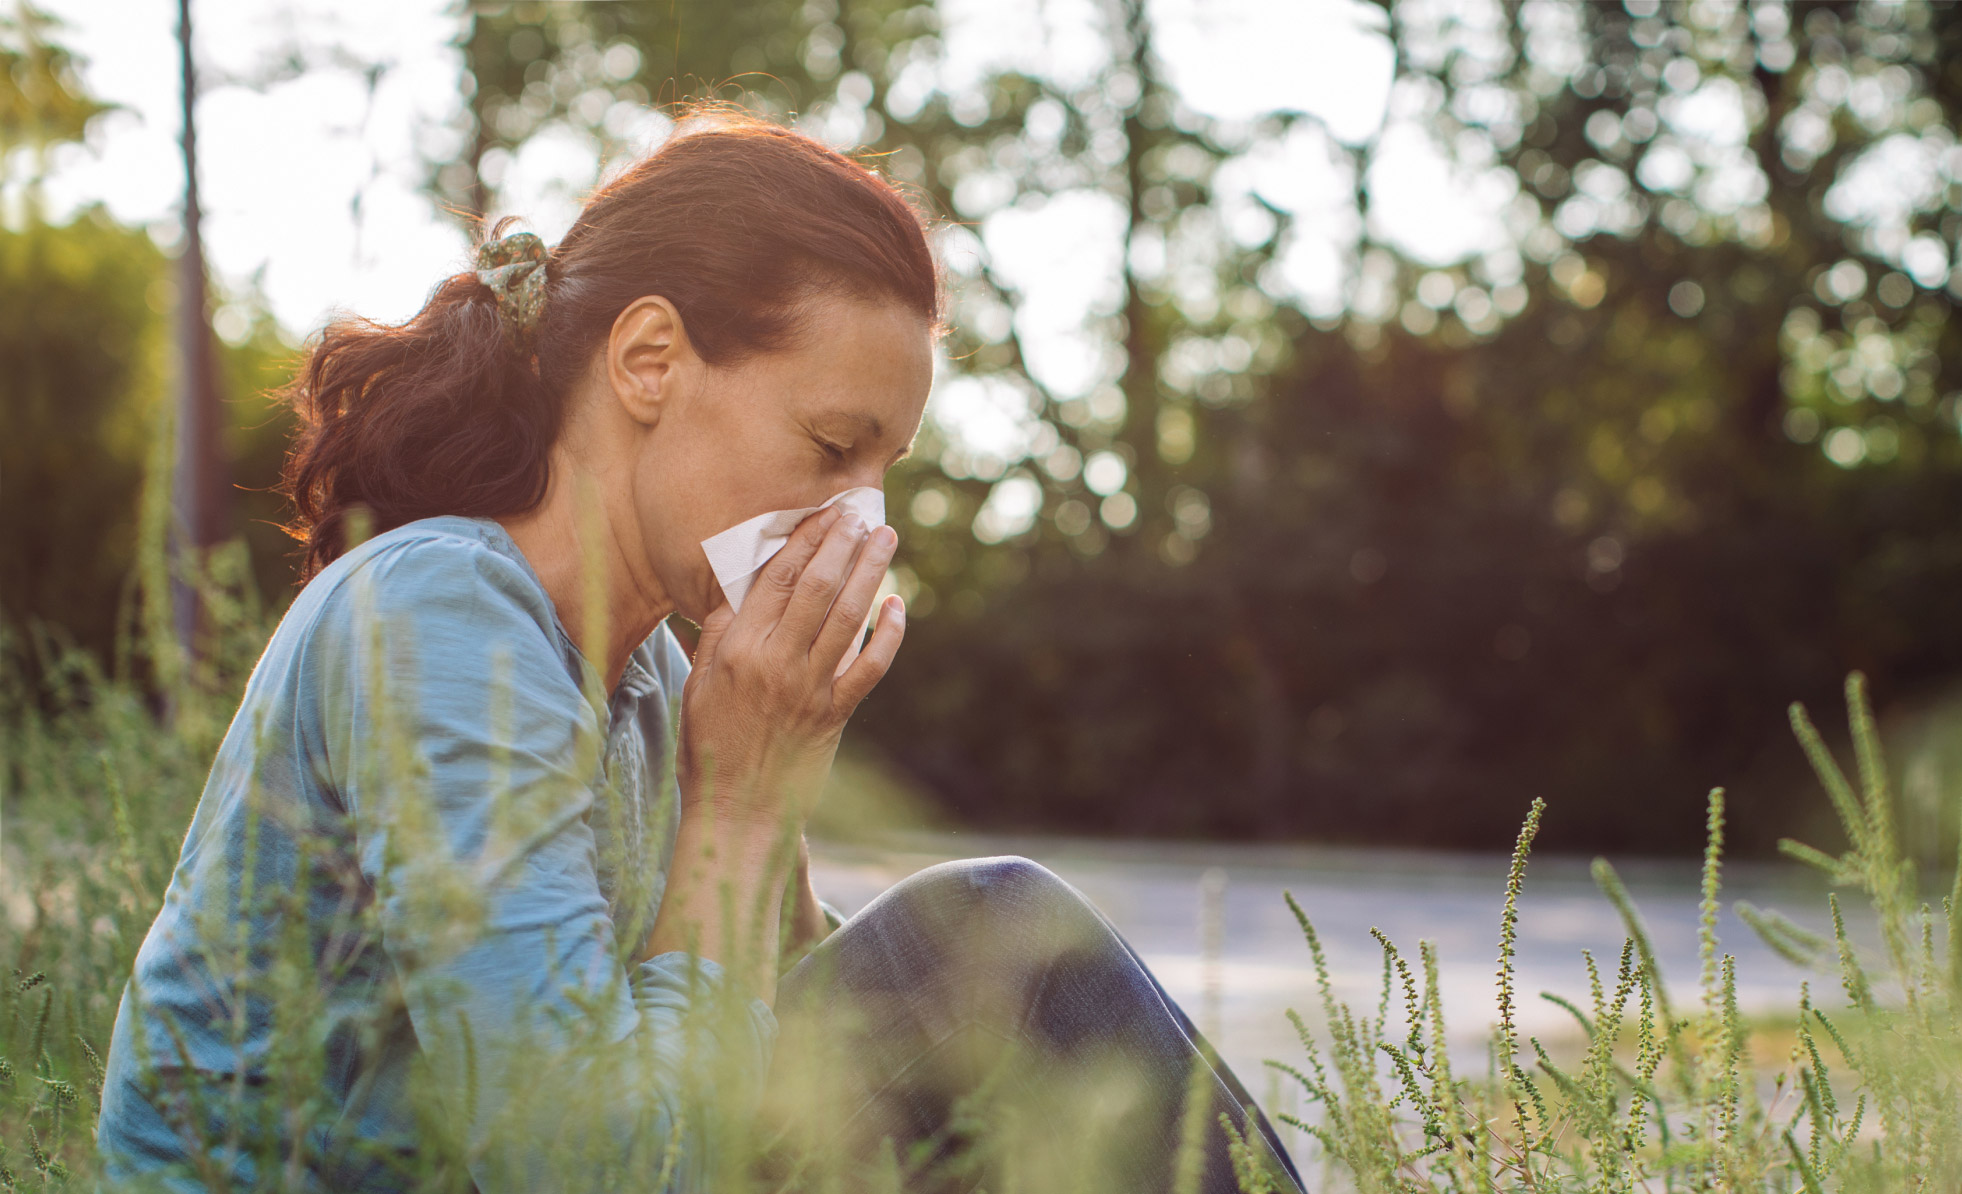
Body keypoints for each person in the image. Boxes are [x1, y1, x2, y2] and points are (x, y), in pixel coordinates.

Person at [94, 111, 1305, 1194]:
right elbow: (586, 1165)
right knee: (989, 926)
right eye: (834, 445)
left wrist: (773, 790)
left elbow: (778, 1037)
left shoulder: (652, 675)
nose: (862, 522)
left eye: (885, 474)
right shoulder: (437, 615)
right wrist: (731, 804)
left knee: (986, 993)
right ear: (649, 361)